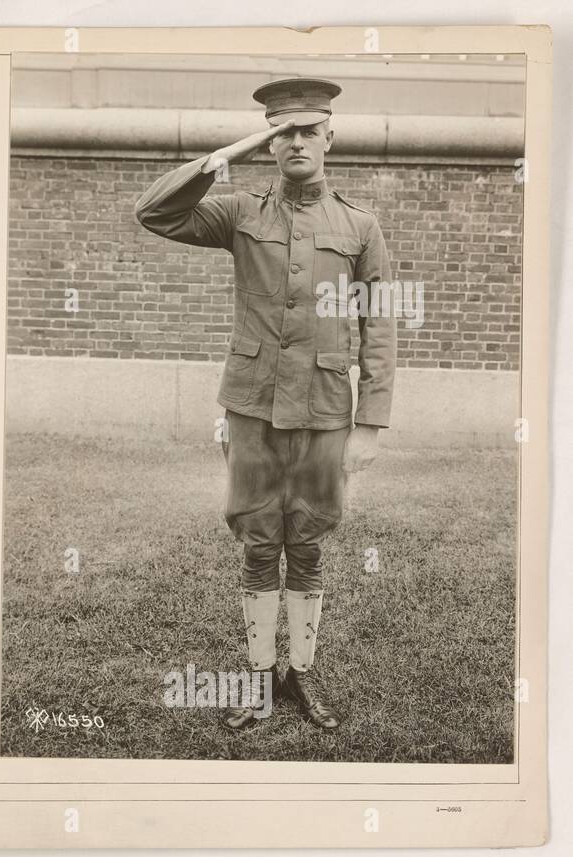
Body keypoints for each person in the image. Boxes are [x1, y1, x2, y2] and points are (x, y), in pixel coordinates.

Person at [133, 77, 396, 730]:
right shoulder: (240, 213)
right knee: (257, 545)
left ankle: (299, 676)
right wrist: (233, 150)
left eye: (308, 129)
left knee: (307, 546)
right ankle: (256, 681)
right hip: (249, 413)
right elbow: (155, 211)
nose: (296, 142)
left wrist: (371, 424)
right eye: (282, 132)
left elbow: (380, 325)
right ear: (269, 143)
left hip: (329, 413)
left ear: (330, 135)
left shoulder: (361, 227)